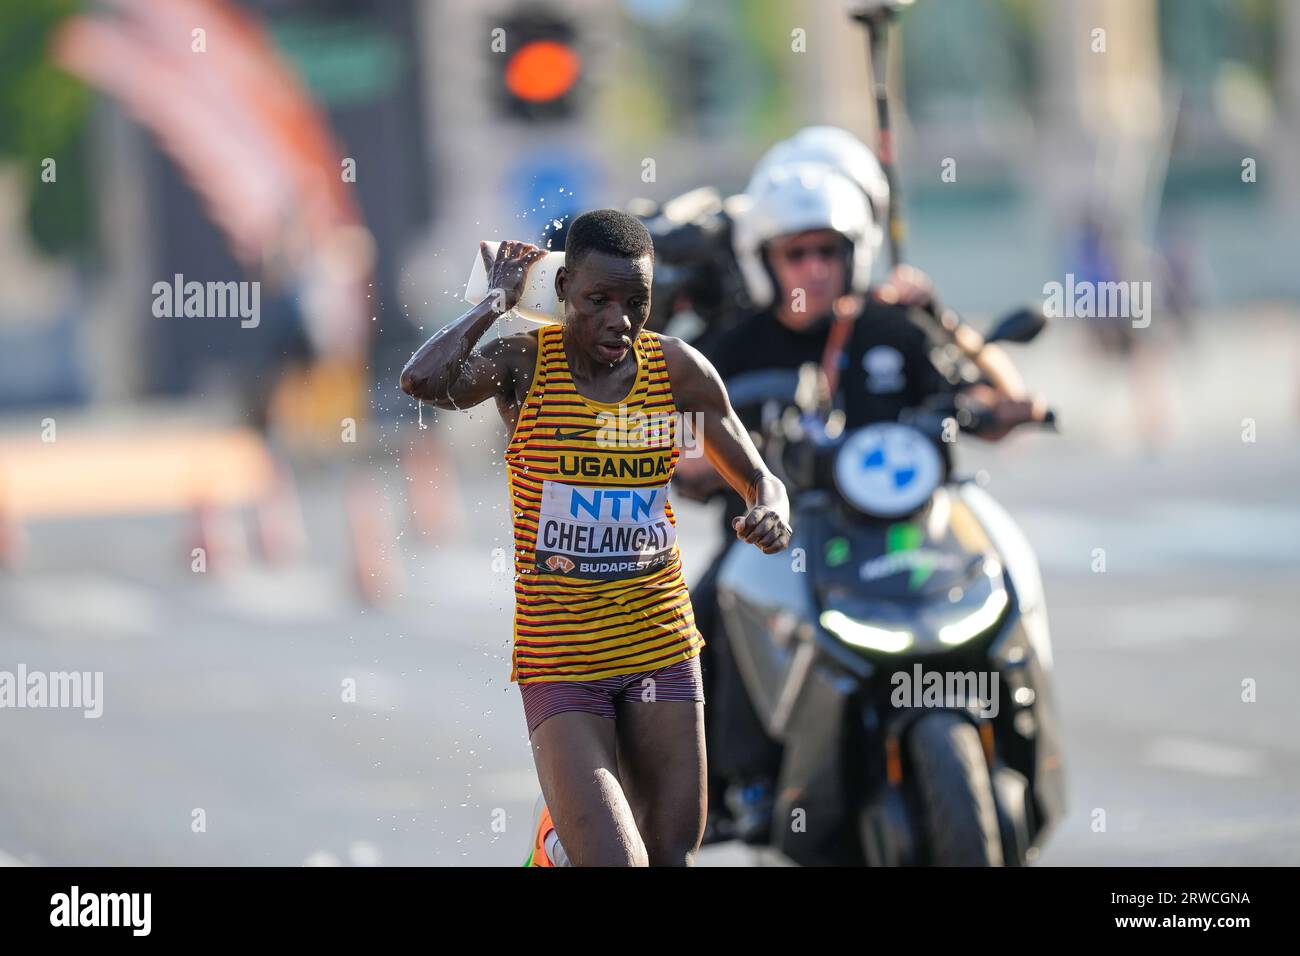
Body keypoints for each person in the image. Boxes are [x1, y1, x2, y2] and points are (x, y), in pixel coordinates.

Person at [399, 209, 793, 866]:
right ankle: (559, 842)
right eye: (598, 301)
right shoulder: (524, 364)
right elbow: (424, 382)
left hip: (658, 644)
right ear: (561, 293)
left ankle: (561, 841)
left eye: (635, 302)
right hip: (562, 658)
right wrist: (494, 303)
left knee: (672, 852)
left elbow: (759, 478)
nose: (619, 321)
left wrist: (769, 509)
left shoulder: (678, 373)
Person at [678, 135, 1041, 842]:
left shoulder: (894, 328)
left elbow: (1007, 406)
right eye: (796, 252)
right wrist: (691, 458)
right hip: (779, 543)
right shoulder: (725, 349)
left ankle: (1020, 728)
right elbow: (680, 453)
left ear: (855, 252)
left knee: (1003, 565)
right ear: (764, 260)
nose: (813, 267)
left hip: (907, 537)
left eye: (828, 250)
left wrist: (942, 317)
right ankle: (740, 785)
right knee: (701, 618)